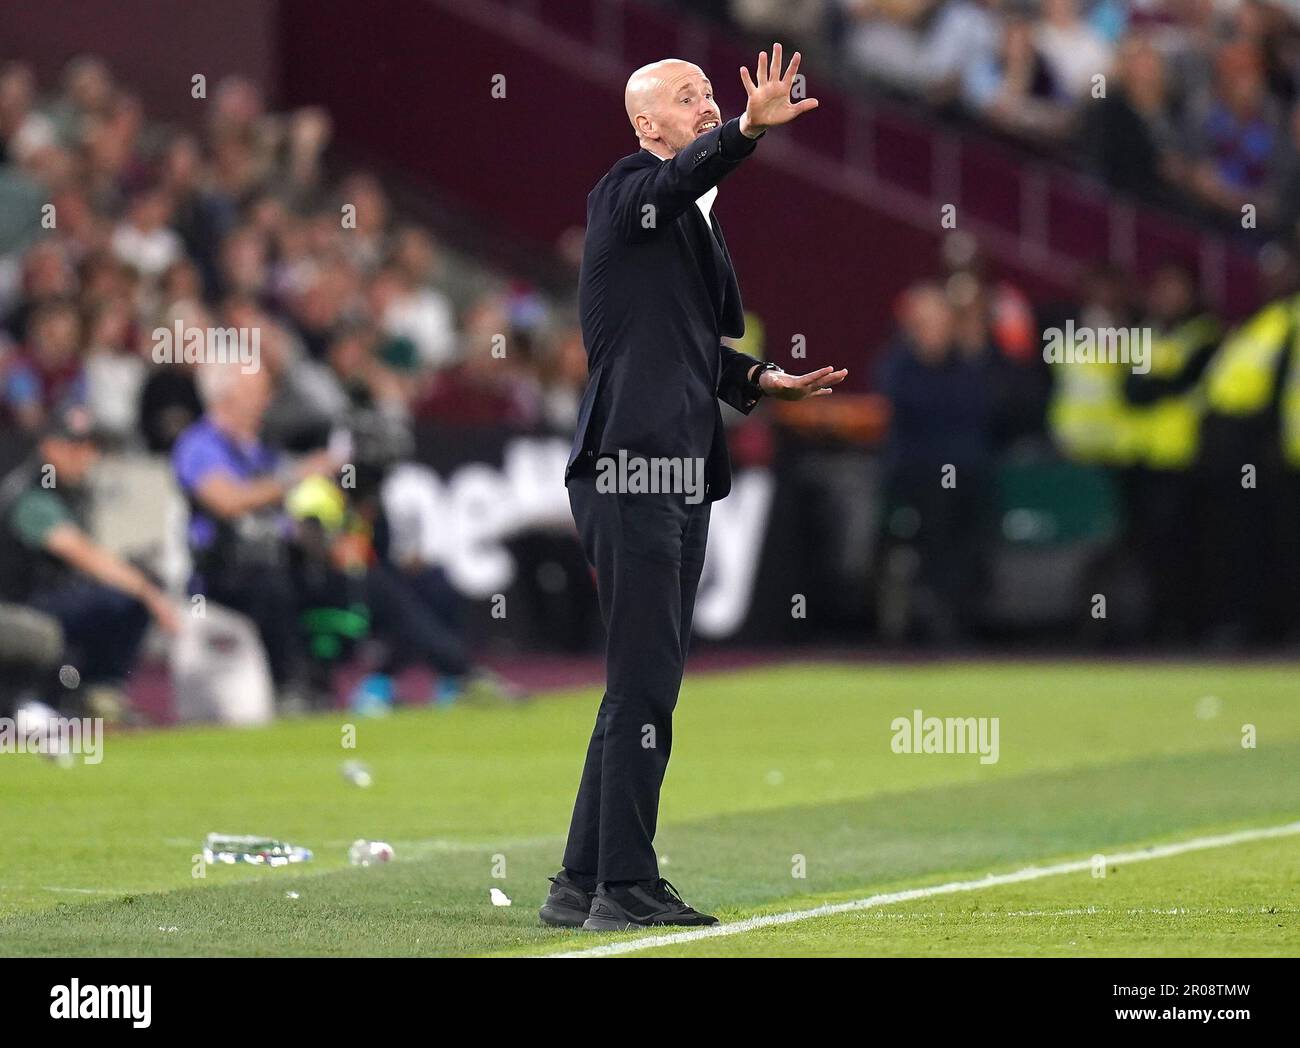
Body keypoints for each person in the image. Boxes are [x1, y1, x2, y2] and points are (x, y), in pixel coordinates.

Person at [539, 45, 846, 931]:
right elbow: (673, 186)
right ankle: (626, 887)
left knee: (641, 681)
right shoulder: (627, 191)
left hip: (673, 468)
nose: (709, 104)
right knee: (645, 686)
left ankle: (579, 880)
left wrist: (757, 383)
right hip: (632, 467)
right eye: (690, 97)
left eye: (712, 94)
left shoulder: (687, 224)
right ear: (647, 125)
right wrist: (749, 129)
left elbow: (685, 348)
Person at [171, 363, 338, 706]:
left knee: (340, 578)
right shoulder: (197, 445)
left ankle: (326, 681)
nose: (265, 401)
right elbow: (228, 501)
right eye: (256, 392)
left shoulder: (261, 450)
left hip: (272, 560)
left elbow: (284, 518)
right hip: (221, 572)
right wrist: (298, 475)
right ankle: (289, 684)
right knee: (270, 585)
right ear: (226, 395)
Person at [0, 404, 179, 713]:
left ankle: (99, 690)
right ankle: (99, 688)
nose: (86, 456)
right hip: (17, 604)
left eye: (90, 446)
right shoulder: (33, 493)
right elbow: (82, 554)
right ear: (50, 447)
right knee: (123, 598)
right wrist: (149, 593)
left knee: (130, 587)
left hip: (48, 597)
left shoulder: (71, 490)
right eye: (76, 446)